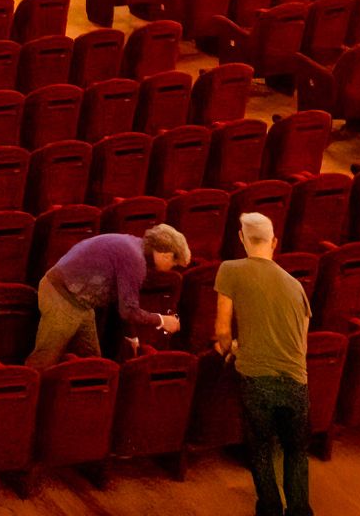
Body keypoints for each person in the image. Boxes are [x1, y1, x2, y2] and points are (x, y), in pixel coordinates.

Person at [212, 212, 315, 516]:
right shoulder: (296, 285)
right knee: (296, 451)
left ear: (241, 239)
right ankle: (299, 510)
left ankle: (269, 509)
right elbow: (302, 340)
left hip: (257, 378)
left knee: (260, 448)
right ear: (274, 243)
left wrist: (231, 347)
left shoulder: (230, 270)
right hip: (297, 380)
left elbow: (221, 328)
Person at [26, 222, 188, 365]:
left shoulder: (135, 248)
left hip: (81, 302)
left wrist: (131, 335)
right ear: (165, 255)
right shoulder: (135, 261)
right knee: (44, 360)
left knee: (93, 363)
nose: (171, 269)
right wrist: (162, 320)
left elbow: (124, 300)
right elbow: (128, 310)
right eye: (173, 264)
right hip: (62, 296)